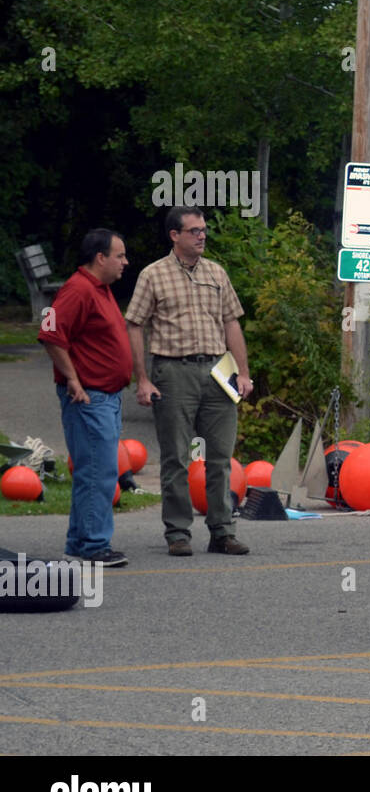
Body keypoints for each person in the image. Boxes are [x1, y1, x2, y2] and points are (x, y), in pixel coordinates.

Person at [125, 207, 254, 557]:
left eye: (204, 230)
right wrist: (143, 378)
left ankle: (223, 531)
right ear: (174, 235)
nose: (202, 236)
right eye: (194, 231)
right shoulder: (153, 275)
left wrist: (242, 372)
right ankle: (178, 532)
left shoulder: (216, 272)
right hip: (174, 371)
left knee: (220, 457)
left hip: (217, 369)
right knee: (176, 458)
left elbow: (232, 323)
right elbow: (134, 324)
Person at [37, 229, 133, 567]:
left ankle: (79, 544)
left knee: (94, 470)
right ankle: (93, 546)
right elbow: (50, 334)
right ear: (100, 257)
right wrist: (73, 380)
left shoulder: (101, 289)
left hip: (106, 396)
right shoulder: (77, 290)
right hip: (89, 397)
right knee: (99, 471)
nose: (125, 262)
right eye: (119, 255)